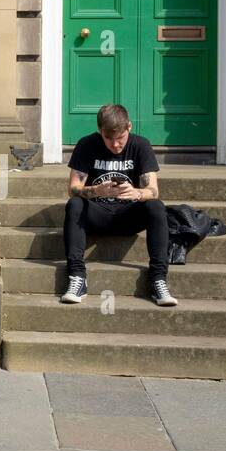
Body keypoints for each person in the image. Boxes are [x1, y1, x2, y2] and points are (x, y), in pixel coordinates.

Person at [62, 103, 176, 307]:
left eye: (120, 138)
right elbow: (73, 188)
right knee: (74, 204)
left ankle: (158, 279)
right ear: (100, 131)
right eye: (109, 139)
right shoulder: (87, 144)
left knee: (156, 206)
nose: (115, 145)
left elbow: (153, 190)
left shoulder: (141, 145)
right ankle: (77, 278)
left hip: (128, 216)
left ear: (129, 127)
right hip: (97, 215)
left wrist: (137, 193)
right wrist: (95, 191)